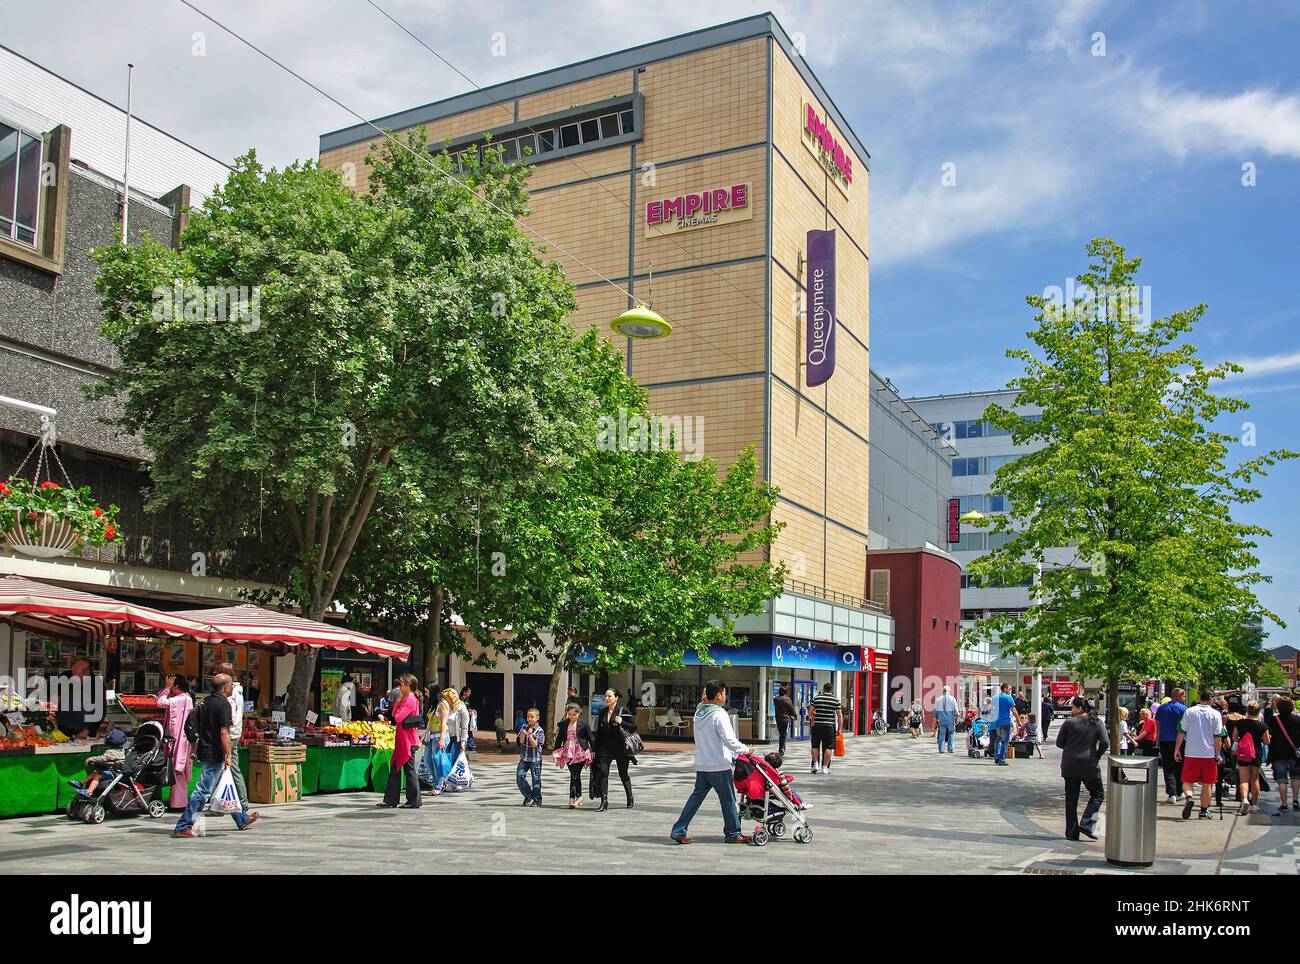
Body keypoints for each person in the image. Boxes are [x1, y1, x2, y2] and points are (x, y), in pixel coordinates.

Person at [172, 674, 259, 836]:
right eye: (232, 685)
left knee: (226, 785)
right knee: (203, 790)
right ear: (225, 687)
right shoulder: (223, 704)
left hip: (205, 748)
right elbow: (224, 732)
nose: (233, 687)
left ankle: (241, 818)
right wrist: (228, 754)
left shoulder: (206, 702)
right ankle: (183, 825)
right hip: (215, 752)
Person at [670, 679, 751, 845]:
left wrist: (705, 695)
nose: (725, 697)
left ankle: (679, 830)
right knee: (728, 800)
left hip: (702, 764)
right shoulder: (719, 714)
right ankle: (733, 833)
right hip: (719, 765)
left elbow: (702, 703)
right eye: (724, 693)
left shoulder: (699, 712)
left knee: (696, 798)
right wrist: (746, 749)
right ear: (719, 695)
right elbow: (730, 740)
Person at [1056, 696, 1109, 840]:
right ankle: (1086, 822)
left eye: (1072, 707)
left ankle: (1072, 833)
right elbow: (1105, 742)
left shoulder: (1069, 723)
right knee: (1098, 794)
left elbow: (1059, 743)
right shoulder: (1097, 722)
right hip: (1089, 764)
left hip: (1070, 764)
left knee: (1071, 799)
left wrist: (1071, 745)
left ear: (1080, 709)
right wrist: (1096, 755)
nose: (1071, 710)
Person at [1174, 687, 1227, 821]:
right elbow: (1218, 736)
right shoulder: (1215, 714)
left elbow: (1181, 732)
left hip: (1191, 752)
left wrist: (1177, 750)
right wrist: (1217, 754)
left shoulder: (1189, 712)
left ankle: (1189, 797)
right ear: (1211, 699)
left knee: (1187, 781)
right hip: (1208, 754)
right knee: (1207, 783)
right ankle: (1204, 810)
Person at [377, 674, 422, 809]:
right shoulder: (407, 698)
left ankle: (413, 800)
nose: (400, 686)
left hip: (407, 741)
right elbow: (394, 714)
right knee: (396, 769)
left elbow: (397, 718)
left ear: (408, 685)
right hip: (403, 739)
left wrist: (399, 703)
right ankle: (391, 799)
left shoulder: (410, 700)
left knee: (409, 770)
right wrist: (399, 701)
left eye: (402, 684)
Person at [591, 688, 636, 812]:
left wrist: (622, 722)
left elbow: (634, 726)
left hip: (621, 748)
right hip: (605, 748)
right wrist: (594, 749)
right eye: (606, 696)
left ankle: (630, 798)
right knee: (603, 773)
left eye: (609, 696)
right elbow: (599, 732)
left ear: (616, 698)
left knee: (623, 774)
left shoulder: (623, 711)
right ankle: (604, 802)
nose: (606, 698)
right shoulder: (602, 712)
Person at [156, 674, 194, 809]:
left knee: (178, 771)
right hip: (181, 740)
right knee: (178, 771)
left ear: (176, 686)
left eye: (171, 684)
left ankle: (178, 803)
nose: (169, 687)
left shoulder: (181, 699)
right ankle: (177, 802)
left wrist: (166, 689)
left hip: (179, 740)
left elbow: (160, 702)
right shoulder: (186, 698)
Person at [217, 662, 248, 809]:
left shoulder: (231, 693)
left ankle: (240, 801)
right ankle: (240, 801)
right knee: (232, 766)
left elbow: (232, 716)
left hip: (230, 733)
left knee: (228, 766)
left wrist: (225, 729)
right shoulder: (238, 691)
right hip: (235, 732)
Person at [1229, 701, 1269, 815]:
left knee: (1244, 780)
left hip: (1243, 754)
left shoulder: (1240, 723)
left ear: (1247, 711)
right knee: (1254, 779)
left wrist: (1243, 741)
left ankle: (1245, 800)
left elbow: (1234, 737)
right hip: (1256, 754)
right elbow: (1267, 741)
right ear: (1258, 712)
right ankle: (1255, 805)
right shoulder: (1262, 725)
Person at [552, 702, 593, 809]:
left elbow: (590, 737)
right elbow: (560, 737)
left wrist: (594, 751)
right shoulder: (564, 724)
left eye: (574, 714)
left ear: (578, 714)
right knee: (573, 774)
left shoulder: (583, 723)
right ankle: (578, 797)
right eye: (569, 714)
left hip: (580, 751)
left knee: (575, 774)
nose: (571, 716)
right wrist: (556, 750)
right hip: (568, 752)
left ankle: (573, 797)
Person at [70, 728, 128, 797]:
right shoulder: (120, 750)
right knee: (95, 772)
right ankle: (81, 783)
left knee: (97, 776)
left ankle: (89, 792)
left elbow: (103, 758)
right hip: (113, 770)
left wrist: (91, 759)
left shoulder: (112, 752)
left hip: (115, 773)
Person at [1266, 696, 1300, 813]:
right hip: (1294, 753)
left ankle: (1284, 804)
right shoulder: (1297, 720)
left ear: (1279, 707)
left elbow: (1268, 734)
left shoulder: (1274, 720)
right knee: (1296, 777)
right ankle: (1295, 800)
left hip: (1278, 753)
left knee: (1281, 778)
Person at [1155, 688, 1188, 803]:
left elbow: (1158, 725)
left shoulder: (1161, 708)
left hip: (1165, 740)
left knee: (1168, 767)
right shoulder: (1184, 709)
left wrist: (1157, 739)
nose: (1184, 699)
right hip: (1181, 740)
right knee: (1179, 766)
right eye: (1183, 697)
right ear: (1179, 696)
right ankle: (1179, 791)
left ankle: (1171, 793)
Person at [808, 683, 842, 774]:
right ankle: (825, 767)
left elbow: (810, 712)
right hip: (829, 727)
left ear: (823, 689)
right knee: (828, 747)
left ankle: (815, 764)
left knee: (815, 745)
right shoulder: (835, 700)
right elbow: (839, 716)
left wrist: (814, 717)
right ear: (832, 690)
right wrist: (839, 729)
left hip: (817, 726)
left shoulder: (816, 698)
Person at [516, 707, 545, 807]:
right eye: (528, 717)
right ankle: (528, 795)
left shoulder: (539, 731)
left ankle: (537, 800)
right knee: (519, 776)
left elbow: (535, 744)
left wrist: (530, 735)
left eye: (532, 717)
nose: (530, 719)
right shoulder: (524, 726)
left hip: (535, 759)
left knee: (536, 779)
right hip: (524, 757)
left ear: (537, 718)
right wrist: (524, 735)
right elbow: (520, 741)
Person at [992, 683, 1021, 766]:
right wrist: (1018, 721)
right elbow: (1014, 710)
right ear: (1005, 689)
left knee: (998, 739)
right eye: (1009, 688)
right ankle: (1002, 759)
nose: (1010, 690)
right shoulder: (1008, 697)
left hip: (997, 721)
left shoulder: (995, 698)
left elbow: (992, 709)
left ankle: (996, 756)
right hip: (1005, 721)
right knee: (1004, 740)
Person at [934, 685, 959, 754]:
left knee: (942, 734)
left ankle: (941, 749)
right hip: (950, 719)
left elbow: (935, 711)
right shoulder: (952, 699)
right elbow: (956, 710)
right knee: (951, 733)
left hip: (941, 720)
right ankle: (950, 748)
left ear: (943, 691)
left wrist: (936, 718)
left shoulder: (938, 699)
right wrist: (957, 718)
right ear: (949, 691)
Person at [773, 686, 796, 755]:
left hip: (778, 718)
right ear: (786, 692)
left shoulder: (775, 699)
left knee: (781, 733)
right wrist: (795, 715)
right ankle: (781, 749)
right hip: (786, 719)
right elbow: (791, 708)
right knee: (784, 734)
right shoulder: (787, 699)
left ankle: (783, 747)